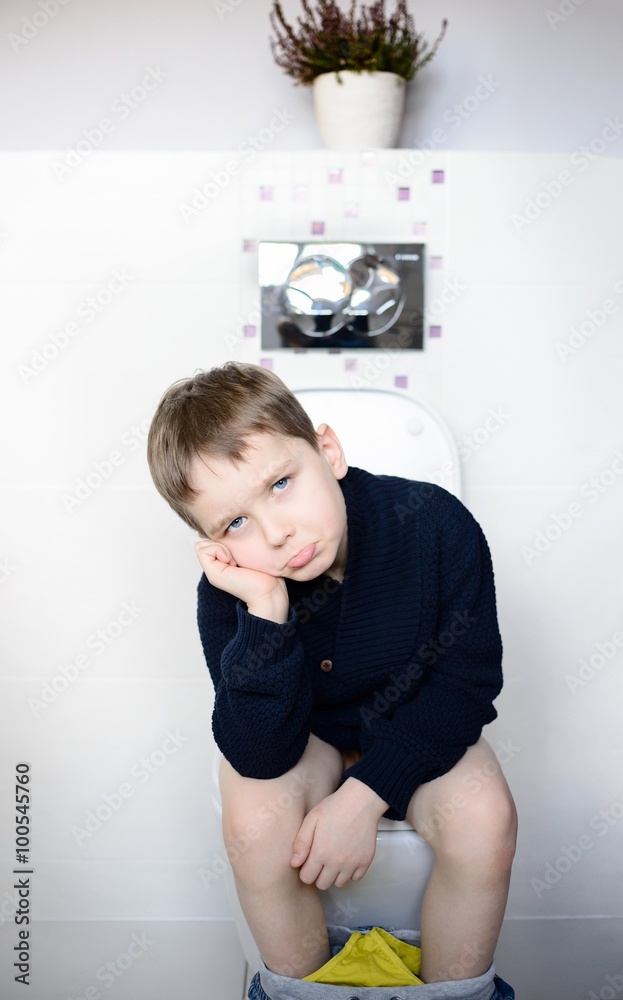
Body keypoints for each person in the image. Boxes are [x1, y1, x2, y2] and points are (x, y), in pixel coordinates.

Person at [147, 361, 517, 998]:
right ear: (214, 544)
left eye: (282, 483)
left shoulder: (433, 524)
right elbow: (257, 753)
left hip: (420, 728)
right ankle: (301, 988)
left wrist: (364, 793)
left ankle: (456, 991)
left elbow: (466, 683)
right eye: (235, 524)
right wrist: (265, 610)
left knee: (484, 817)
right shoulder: (233, 591)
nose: (276, 532)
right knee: (255, 821)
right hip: (308, 738)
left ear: (329, 450)